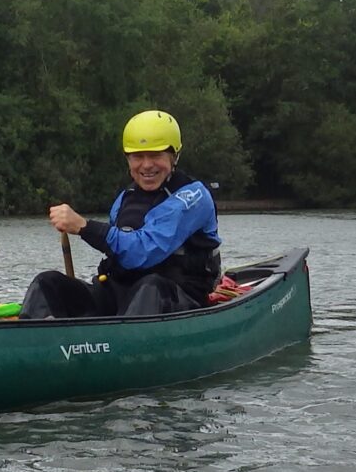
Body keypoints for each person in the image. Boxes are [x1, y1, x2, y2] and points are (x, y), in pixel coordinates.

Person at [18, 110, 221, 319]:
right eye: (138, 157)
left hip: (177, 300)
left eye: (155, 155)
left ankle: (126, 345)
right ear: (128, 160)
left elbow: (142, 252)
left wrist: (85, 227)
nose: (147, 165)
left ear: (174, 156)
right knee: (47, 283)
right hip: (124, 296)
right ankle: (31, 342)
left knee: (150, 287)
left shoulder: (192, 197)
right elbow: (119, 252)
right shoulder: (125, 197)